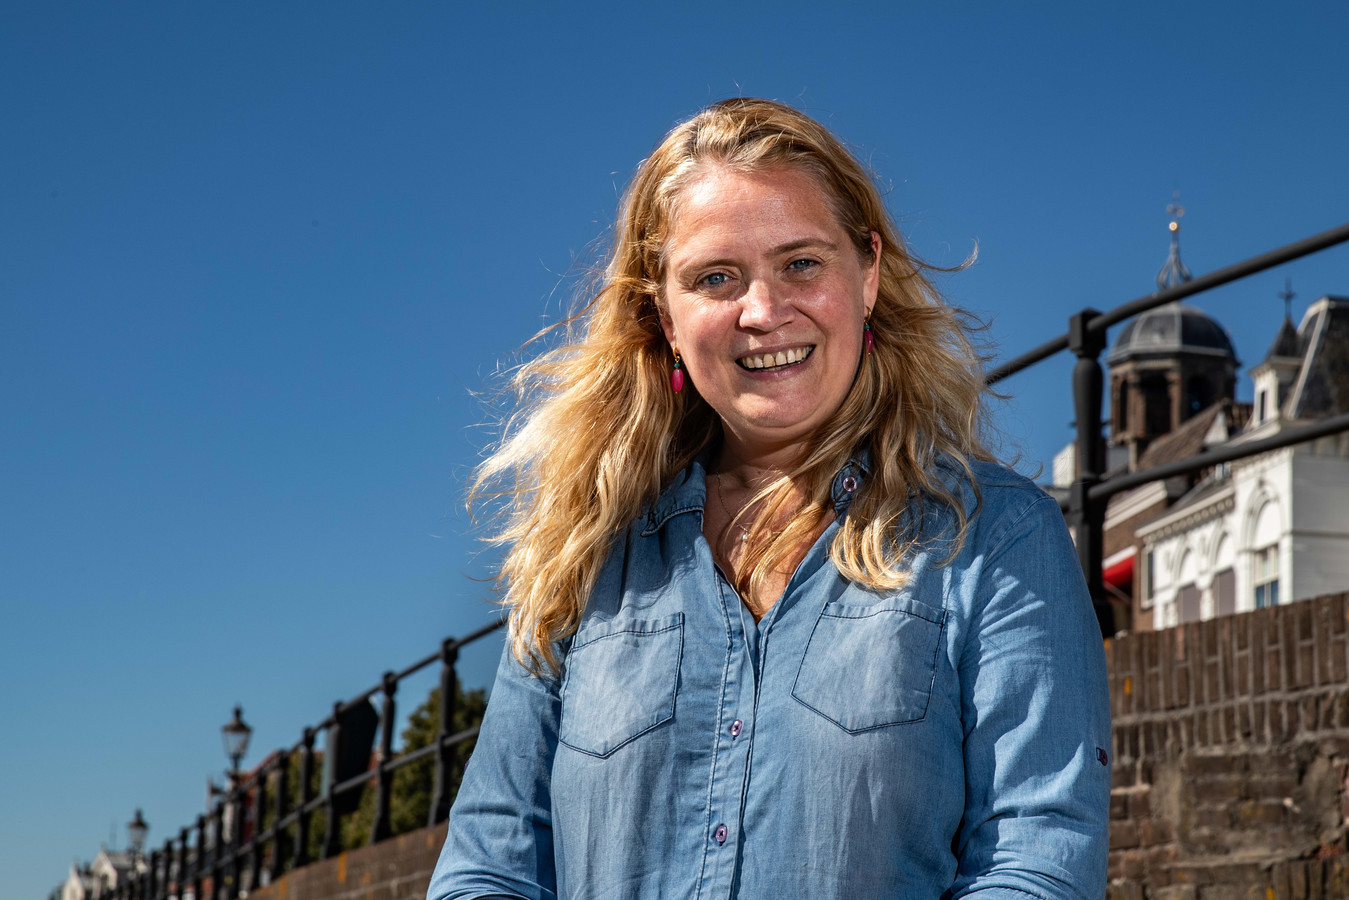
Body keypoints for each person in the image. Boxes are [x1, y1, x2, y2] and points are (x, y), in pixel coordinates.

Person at [428, 98, 1110, 900]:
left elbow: (1035, 863)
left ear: (867, 274)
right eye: (715, 278)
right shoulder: (582, 558)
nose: (762, 312)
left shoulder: (996, 535)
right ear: (665, 317)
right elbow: (487, 868)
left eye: (801, 264)